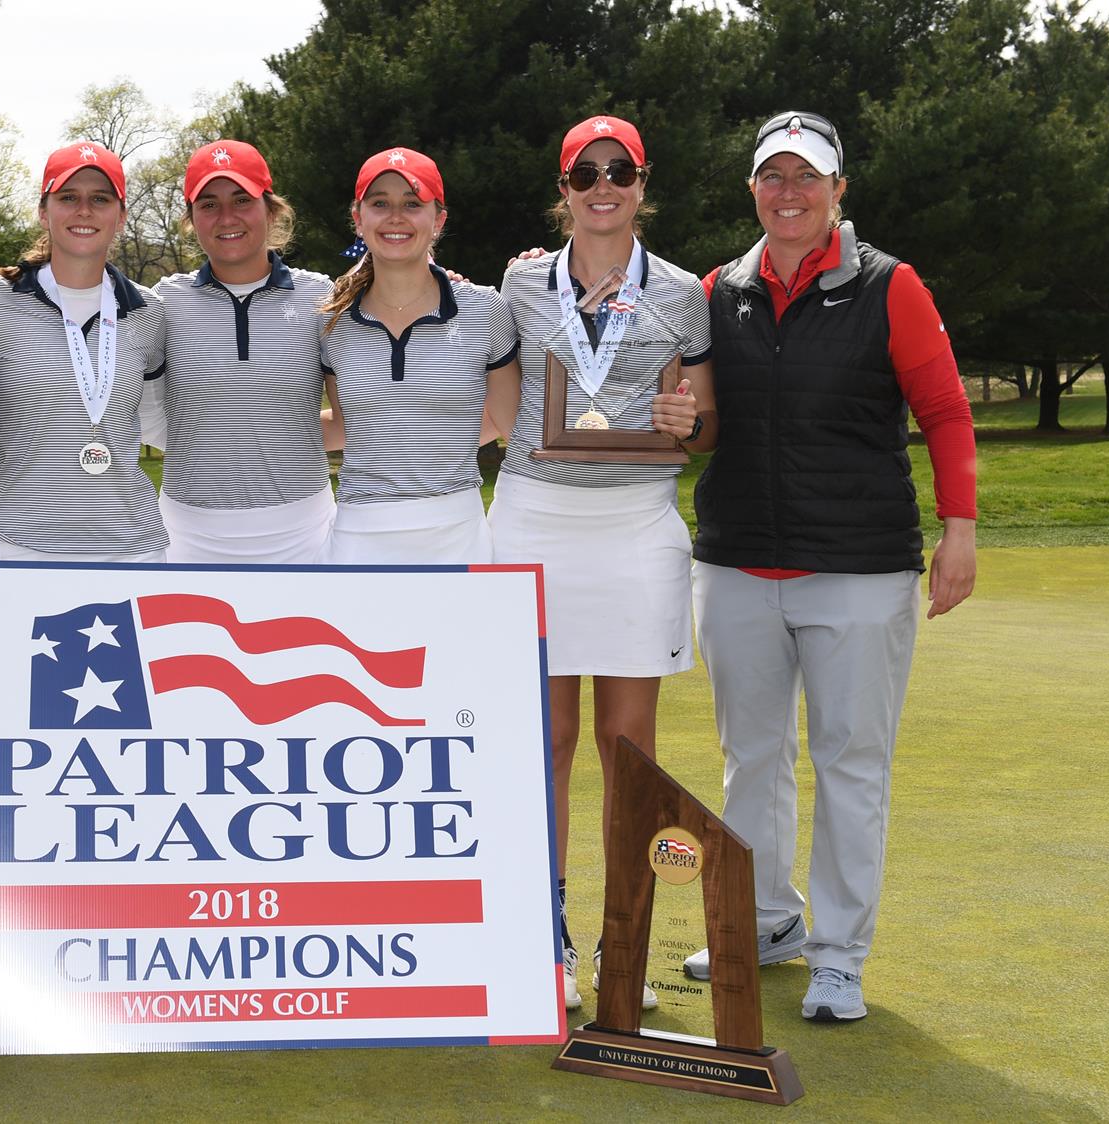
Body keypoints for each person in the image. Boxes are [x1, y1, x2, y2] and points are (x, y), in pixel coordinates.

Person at [686, 110, 977, 1022]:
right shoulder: (716, 290)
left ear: (838, 191)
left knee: (851, 762)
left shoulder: (890, 285)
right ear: (753, 191)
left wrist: (959, 526)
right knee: (751, 759)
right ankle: (766, 922)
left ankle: (840, 956)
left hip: (858, 570)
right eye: (773, 175)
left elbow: (945, 410)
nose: (789, 191)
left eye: (806, 176)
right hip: (737, 564)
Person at [485, 115, 716, 1011]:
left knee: (631, 753)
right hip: (534, 520)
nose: (603, 185)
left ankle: (627, 943)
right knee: (544, 745)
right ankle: (547, 941)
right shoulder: (518, 282)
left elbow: (709, 423)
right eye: (587, 172)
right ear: (566, 187)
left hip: (633, 526)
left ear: (642, 183)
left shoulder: (684, 295)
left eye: (620, 170)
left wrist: (686, 424)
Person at [0, 142, 169, 562]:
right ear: (44, 211)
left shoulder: (148, 311)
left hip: (132, 549)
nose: (84, 211)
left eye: (100, 199)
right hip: (18, 543)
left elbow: (155, 420)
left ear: (121, 216)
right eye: (68, 198)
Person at [318, 147, 519, 564]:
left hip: (457, 531)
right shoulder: (330, 321)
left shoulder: (486, 308)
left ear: (438, 219)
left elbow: (512, 422)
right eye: (380, 204)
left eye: (412, 203)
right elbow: (347, 424)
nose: (396, 217)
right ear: (358, 219)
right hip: (359, 534)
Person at [153, 140, 337, 563]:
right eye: (209, 204)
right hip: (187, 535)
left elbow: (352, 419)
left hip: (303, 533)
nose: (227, 217)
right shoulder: (162, 303)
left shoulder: (321, 297)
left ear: (271, 211)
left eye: (242, 200)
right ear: (191, 219)